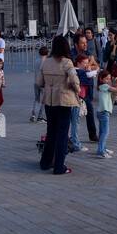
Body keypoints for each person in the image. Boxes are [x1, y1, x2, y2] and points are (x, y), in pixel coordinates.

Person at [38, 35, 81, 175]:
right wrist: (77, 90)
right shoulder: (67, 62)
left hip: (49, 101)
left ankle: (45, 162)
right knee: (62, 134)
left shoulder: (46, 62)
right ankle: (59, 166)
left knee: (51, 132)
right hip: (63, 101)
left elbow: (39, 82)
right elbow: (74, 80)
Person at [94, 70, 117, 160]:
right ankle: (101, 151)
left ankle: (102, 148)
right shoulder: (104, 86)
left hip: (101, 112)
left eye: (109, 78)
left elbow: (113, 91)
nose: (108, 80)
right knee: (105, 132)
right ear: (101, 79)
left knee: (102, 132)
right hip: (104, 112)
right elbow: (116, 90)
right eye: (106, 78)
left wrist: (115, 84)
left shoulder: (103, 86)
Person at [30, 46, 49, 123]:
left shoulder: (37, 60)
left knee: (37, 99)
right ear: (47, 53)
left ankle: (33, 115)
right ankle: (40, 117)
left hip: (36, 82)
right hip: (43, 83)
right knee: (44, 100)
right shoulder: (46, 61)